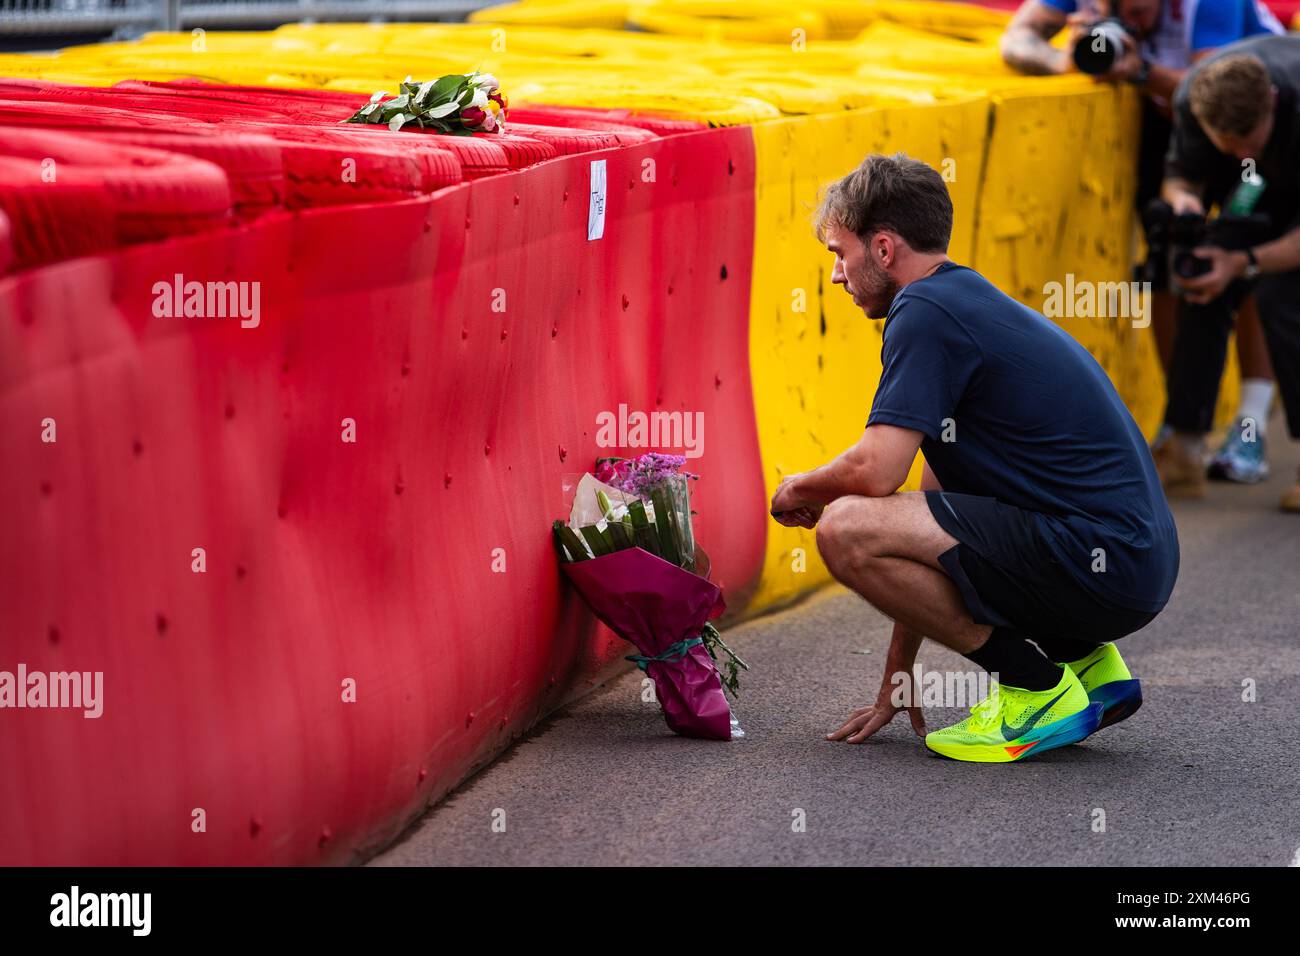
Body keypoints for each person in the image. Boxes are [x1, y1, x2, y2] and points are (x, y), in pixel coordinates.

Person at [769, 153, 1180, 763]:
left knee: (843, 526)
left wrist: (799, 488)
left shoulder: (924, 314)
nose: (836, 275)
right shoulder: (961, 301)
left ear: (883, 249)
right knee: (880, 522)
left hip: (1107, 561)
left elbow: (876, 474)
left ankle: (1037, 690)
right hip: (1127, 566)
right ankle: (1092, 668)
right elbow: (929, 514)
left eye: (838, 252)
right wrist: (897, 676)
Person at [1001, 0, 1284, 483]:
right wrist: (1066, 60)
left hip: (1248, 114)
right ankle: (1182, 427)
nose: (1135, 19)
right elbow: (1016, 40)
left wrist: (1139, 69)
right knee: (1168, 256)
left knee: (1250, 258)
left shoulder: (1211, 6)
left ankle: (1251, 425)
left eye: (1142, 9)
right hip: (1167, 118)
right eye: (1123, 10)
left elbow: (1204, 94)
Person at [1154, 36, 1300, 509]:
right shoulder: (1197, 97)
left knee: (1283, 297)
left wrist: (1246, 261)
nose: (1238, 153)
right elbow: (1180, 177)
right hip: (1255, 192)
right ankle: (1186, 450)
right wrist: (1188, 205)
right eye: (1227, 145)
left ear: (1272, 105)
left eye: (1247, 141)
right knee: (1203, 280)